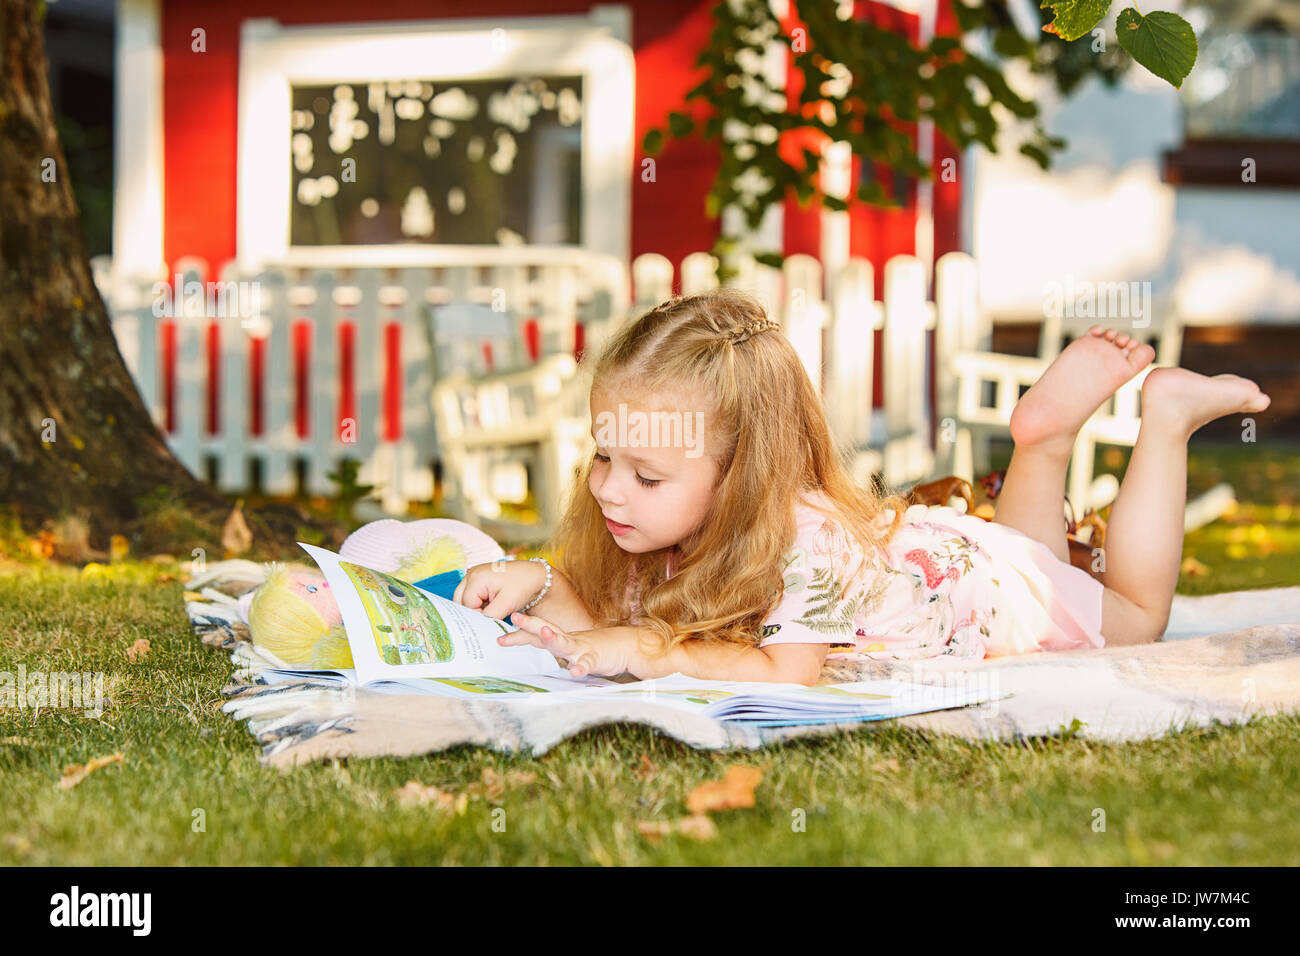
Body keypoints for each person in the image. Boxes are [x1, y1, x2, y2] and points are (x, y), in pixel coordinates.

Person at [453, 288, 1270, 685]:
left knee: (1131, 621)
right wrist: (544, 585)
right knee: (1032, 551)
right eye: (603, 457)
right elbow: (605, 628)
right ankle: (1043, 437)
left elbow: (784, 677)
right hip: (951, 559)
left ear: (743, 472)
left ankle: (1166, 420)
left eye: (645, 473)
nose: (610, 492)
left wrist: (642, 650)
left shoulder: (802, 541)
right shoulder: (659, 524)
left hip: (980, 595)